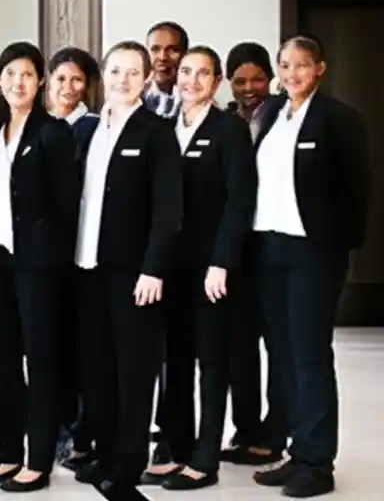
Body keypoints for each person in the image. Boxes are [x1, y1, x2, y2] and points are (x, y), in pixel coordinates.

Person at [250, 35, 370, 498]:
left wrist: (337, 248)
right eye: (285, 65)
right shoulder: (271, 115)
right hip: (269, 250)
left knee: (310, 356)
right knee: (281, 355)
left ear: (320, 68)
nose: (292, 73)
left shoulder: (340, 119)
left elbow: (357, 191)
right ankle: (296, 452)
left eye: (302, 65)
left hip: (312, 255)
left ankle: (318, 463)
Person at [0, 42, 79, 493]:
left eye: (28, 75)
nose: (18, 82)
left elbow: (67, 204)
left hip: (39, 265)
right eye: (11, 74)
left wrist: (58, 262)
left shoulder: (54, 133)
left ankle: (38, 458)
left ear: (40, 83)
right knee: (5, 359)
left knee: (43, 358)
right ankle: (8, 452)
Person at [72, 41, 182, 491]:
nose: (122, 79)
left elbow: (168, 209)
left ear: (145, 78)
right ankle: (105, 448)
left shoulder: (155, 132)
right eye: (115, 70)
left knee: (134, 367)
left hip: (133, 271)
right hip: (87, 266)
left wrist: (153, 269)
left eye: (132, 72)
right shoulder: (90, 130)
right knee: (97, 367)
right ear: (104, 73)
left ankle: (129, 457)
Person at [149, 46, 256, 490]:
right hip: (169, 267)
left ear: (216, 83)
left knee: (212, 362)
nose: (191, 80)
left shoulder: (229, 130)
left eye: (203, 74)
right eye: (186, 72)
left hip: (210, 269)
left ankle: (206, 455)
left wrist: (222, 262)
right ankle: (175, 445)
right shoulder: (162, 129)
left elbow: (239, 201)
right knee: (174, 361)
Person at [221, 41, 285, 466]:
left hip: (274, 248)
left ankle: (275, 431)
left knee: (279, 344)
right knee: (238, 346)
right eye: (240, 80)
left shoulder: (285, 116)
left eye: (257, 79)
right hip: (235, 250)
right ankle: (245, 431)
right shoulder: (225, 122)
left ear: (271, 78)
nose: (249, 88)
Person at [44, 46, 100, 470]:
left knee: (84, 350)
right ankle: (56, 431)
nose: (68, 87)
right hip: (45, 258)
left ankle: (83, 435)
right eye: (60, 79)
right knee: (51, 349)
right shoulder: (36, 127)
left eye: (77, 80)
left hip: (84, 254)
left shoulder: (94, 129)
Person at [143, 21, 189, 120]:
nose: (163, 57)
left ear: (185, 55)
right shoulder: (134, 96)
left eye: (172, 50)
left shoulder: (197, 99)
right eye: (155, 49)